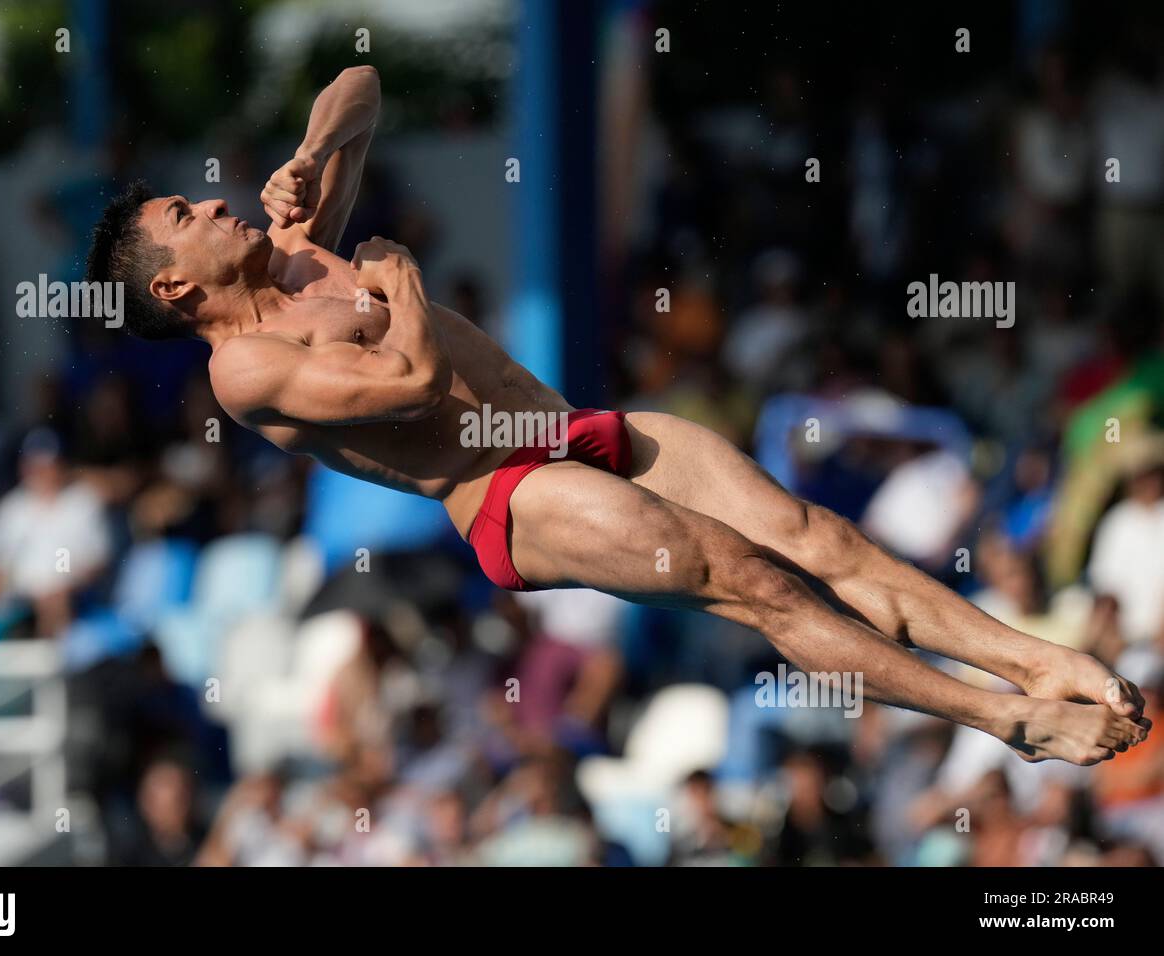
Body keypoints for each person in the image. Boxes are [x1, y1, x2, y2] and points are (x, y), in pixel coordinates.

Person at [84, 66, 1149, 766]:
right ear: (175, 289)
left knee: (816, 536)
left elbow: (360, 88)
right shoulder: (246, 369)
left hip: (568, 424)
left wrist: (315, 150)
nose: (215, 203)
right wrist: (398, 270)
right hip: (505, 491)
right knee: (757, 582)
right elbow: (409, 381)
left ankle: (1029, 656)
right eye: (187, 215)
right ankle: (1005, 716)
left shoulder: (297, 242)